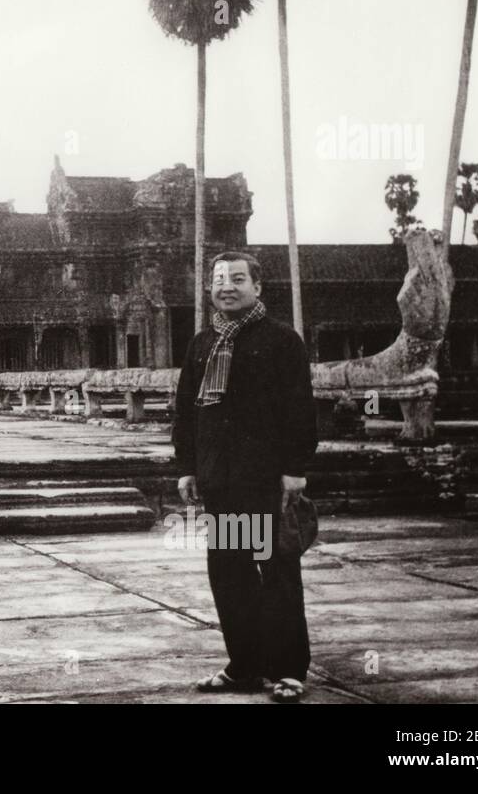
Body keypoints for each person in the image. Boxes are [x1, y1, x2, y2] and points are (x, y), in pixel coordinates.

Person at [172, 251, 318, 703]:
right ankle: (245, 665)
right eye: (218, 279)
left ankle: (289, 669)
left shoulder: (281, 341)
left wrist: (295, 469)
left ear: (257, 287)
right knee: (229, 572)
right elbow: (186, 411)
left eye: (237, 278)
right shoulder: (203, 343)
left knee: (275, 571)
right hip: (220, 480)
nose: (226, 286)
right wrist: (187, 466)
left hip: (265, 480)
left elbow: (299, 408)